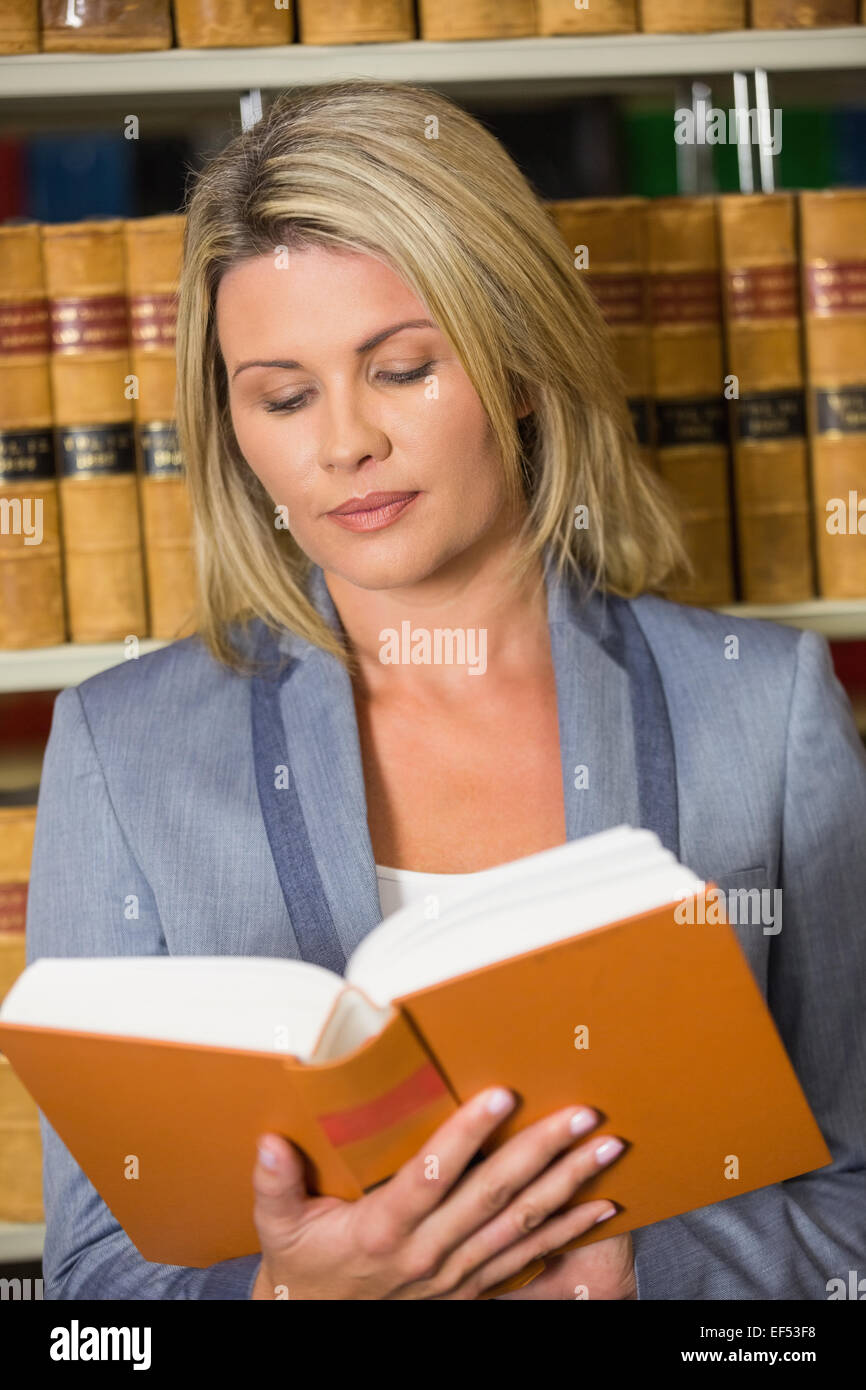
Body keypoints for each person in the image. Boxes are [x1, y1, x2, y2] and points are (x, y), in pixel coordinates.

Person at [26, 79, 866, 1301]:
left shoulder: (764, 707)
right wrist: (284, 1298)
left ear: (518, 361)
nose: (344, 443)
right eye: (284, 394)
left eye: (402, 368)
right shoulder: (122, 748)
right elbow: (90, 1283)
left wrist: (625, 1266)